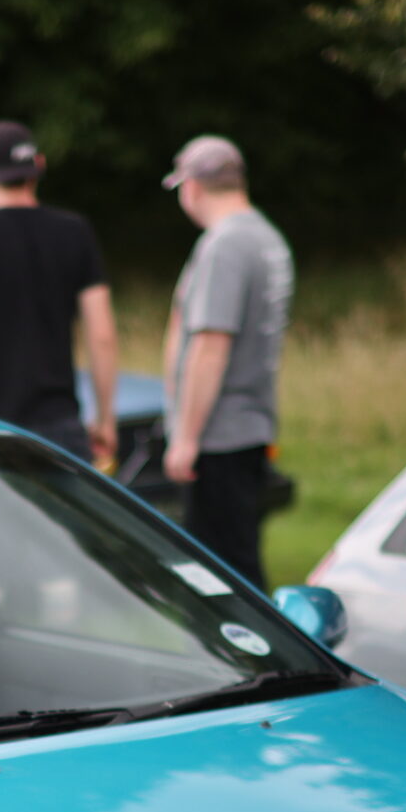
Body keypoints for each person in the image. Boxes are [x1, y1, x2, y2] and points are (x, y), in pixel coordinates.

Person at [0, 120, 118, 466]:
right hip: (61, 424)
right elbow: (102, 334)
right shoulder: (75, 231)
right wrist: (106, 419)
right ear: (39, 167)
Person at [161, 135, 293, 588]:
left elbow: (211, 344)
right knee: (240, 557)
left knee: (222, 578)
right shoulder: (268, 238)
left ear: (192, 187)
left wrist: (185, 437)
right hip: (253, 427)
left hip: (218, 436)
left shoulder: (225, 246)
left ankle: (252, 658)